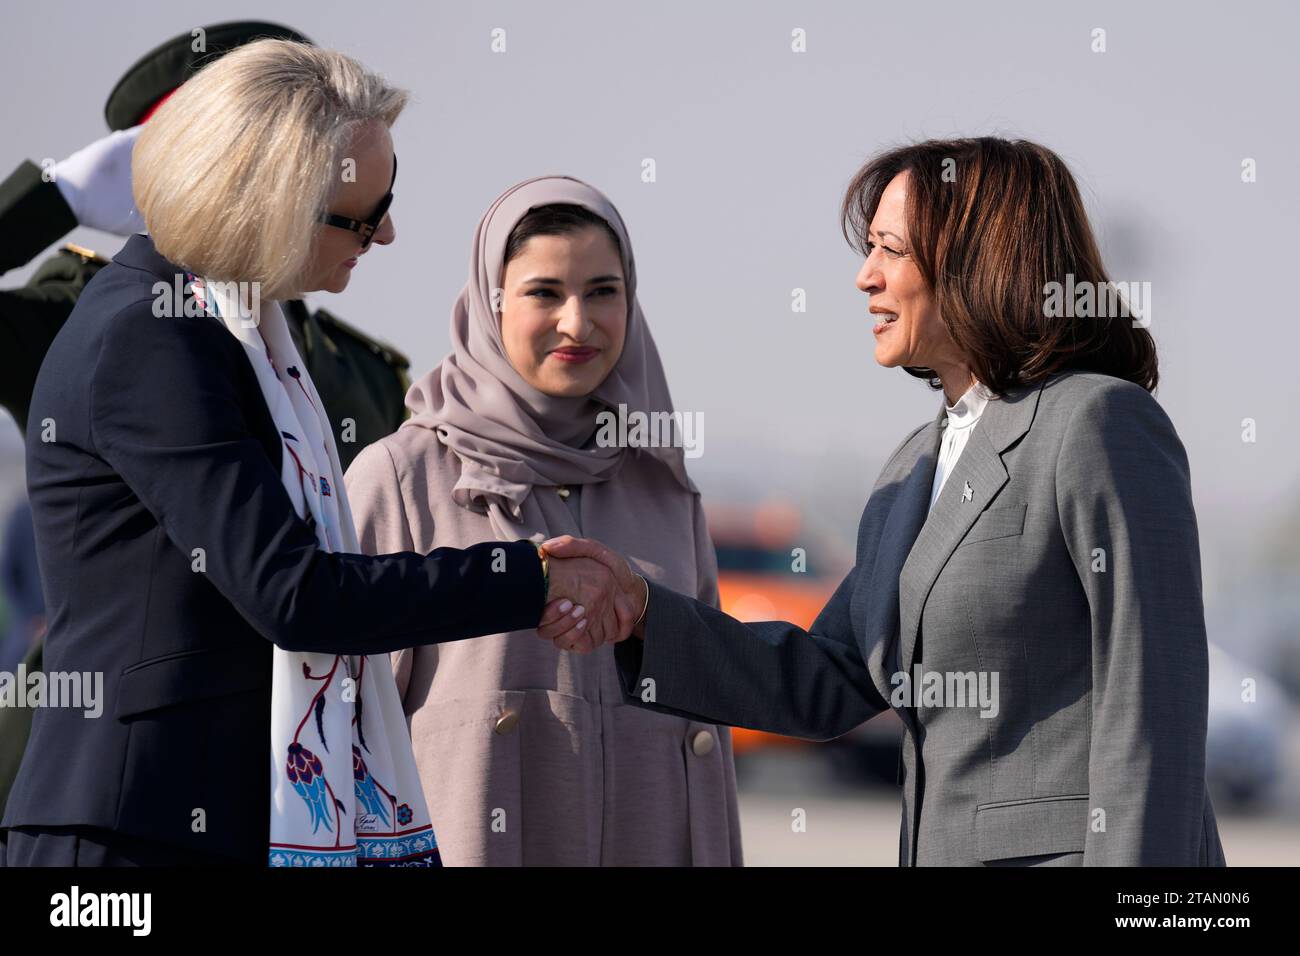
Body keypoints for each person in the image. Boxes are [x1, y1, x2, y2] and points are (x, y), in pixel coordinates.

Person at [0, 40, 624, 868]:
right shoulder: (151, 338)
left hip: (211, 814)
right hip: (131, 829)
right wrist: (528, 576)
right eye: (362, 216)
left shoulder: (247, 338)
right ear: (268, 201)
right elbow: (295, 592)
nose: (389, 233)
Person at [539, 137, 1227, 867]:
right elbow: (828, 678)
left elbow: (1156, 705)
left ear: (977, 258)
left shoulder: (1097, 422)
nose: (865, 278)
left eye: (890, 250)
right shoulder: (914, 464)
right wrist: (643, 610)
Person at [0, 21, 415, 820]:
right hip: (126, 782)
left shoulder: (348, 365)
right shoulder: (112, 316)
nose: (380, 232)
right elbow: (293, 589)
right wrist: (51, 199)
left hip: (287, 785)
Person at [345, 178, 743, 865]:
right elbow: (341, 726)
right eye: (543, 293)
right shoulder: (402, 480)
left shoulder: (666, 491)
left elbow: (707, 721)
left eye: (602, 291)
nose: (577, 323)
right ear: (488, 301)